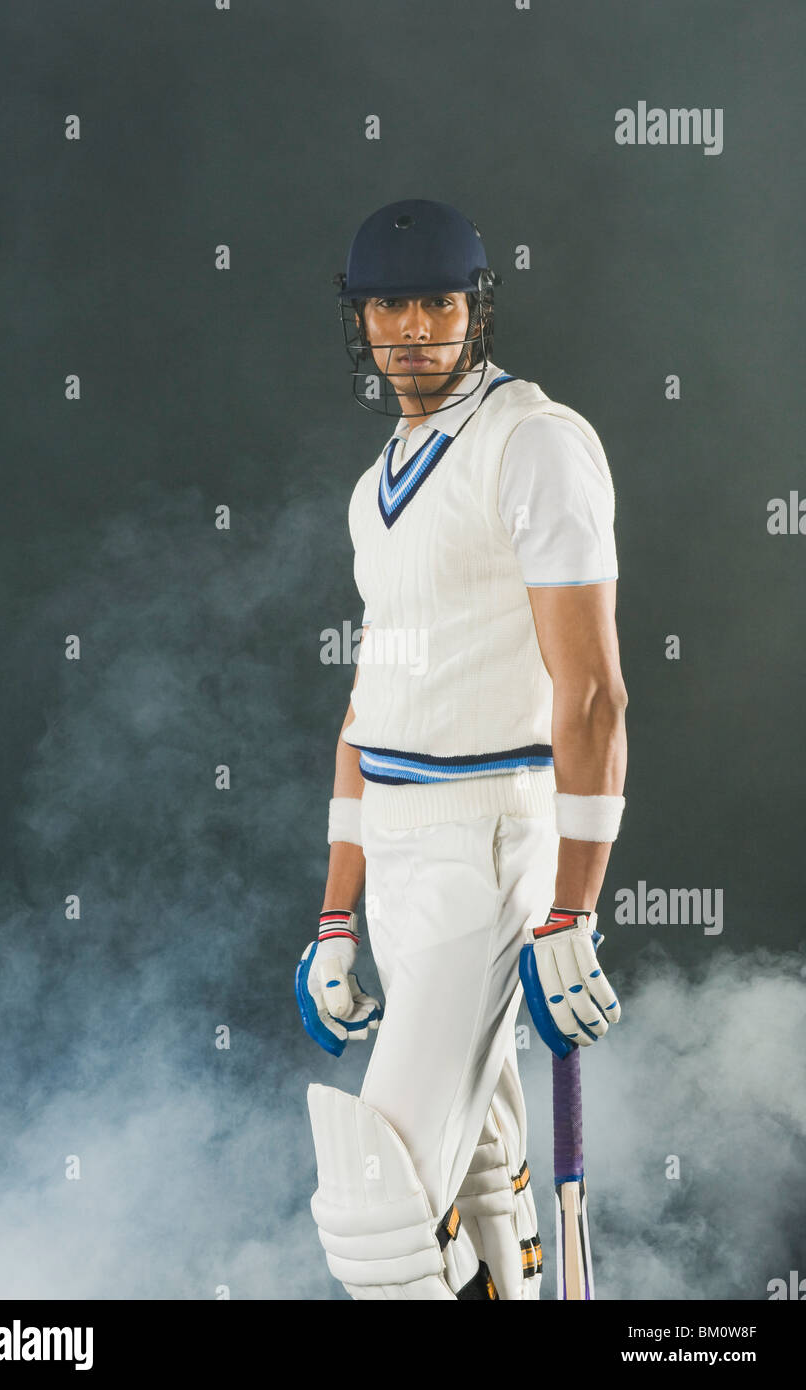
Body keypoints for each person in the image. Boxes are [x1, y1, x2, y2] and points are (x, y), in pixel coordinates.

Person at [295, 199, 628, 1300]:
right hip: (400, 853)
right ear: (361, 322)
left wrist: (572, 906)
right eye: (390, 303)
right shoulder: (376, 483)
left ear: (476, 309)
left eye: (440, 300)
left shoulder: (534, 442)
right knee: (482, 1186)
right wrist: (337, 916)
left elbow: (591, 695)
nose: (415, 326)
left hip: (490, 838)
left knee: (377, 1212)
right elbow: (365, 712)